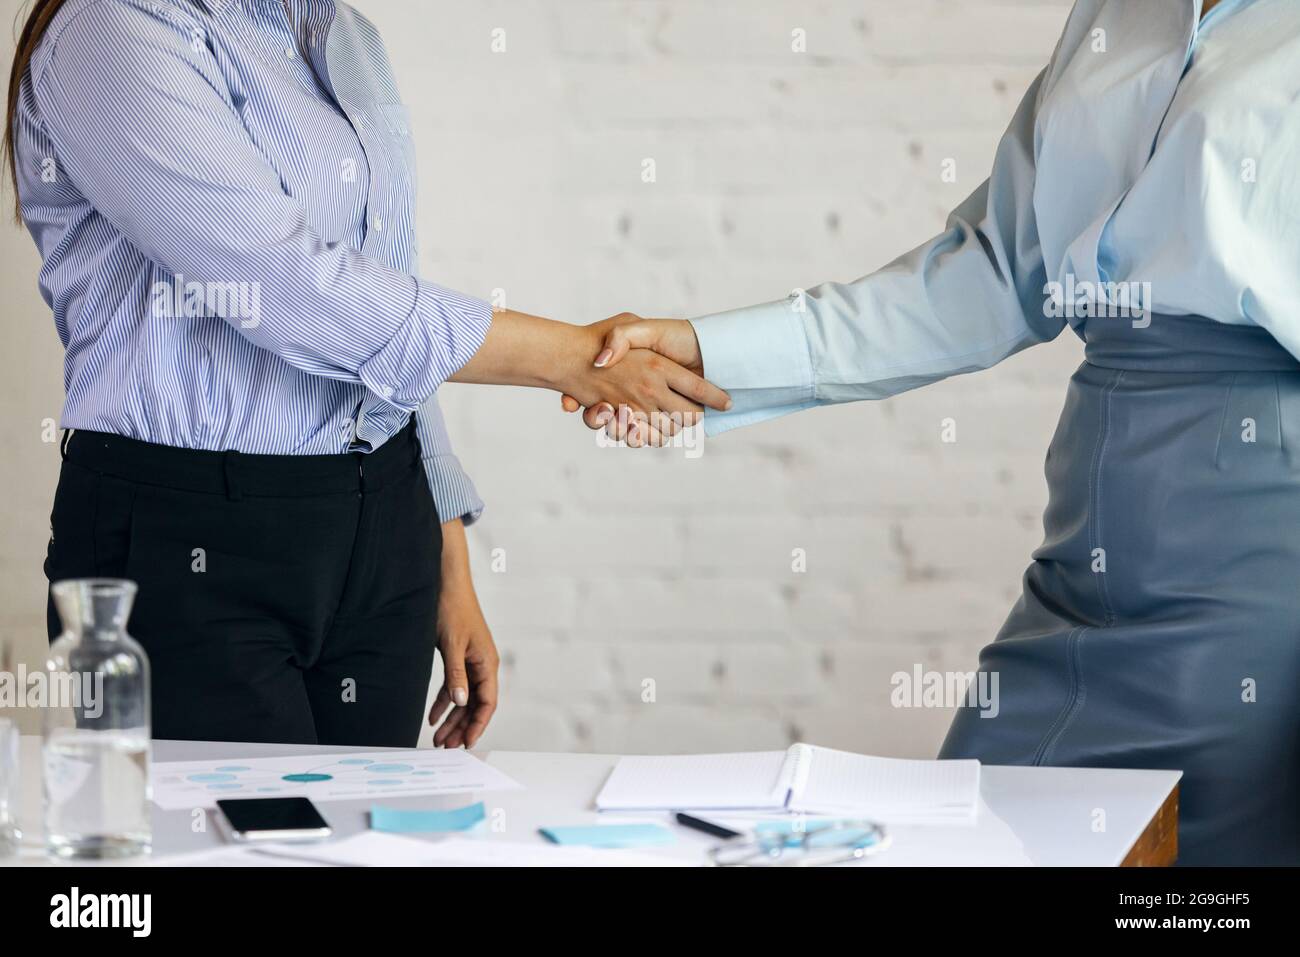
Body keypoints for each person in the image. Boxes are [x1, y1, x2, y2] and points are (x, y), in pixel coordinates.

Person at [570, 0, 1298, 865]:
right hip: (1090, 533)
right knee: (969, 837)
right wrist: (699, 352)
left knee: (1208, 896)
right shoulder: (1116, 12)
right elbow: (989, 276)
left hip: (1260, 548)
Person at [4, 0, 730, 748]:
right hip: (189, 540)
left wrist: (444, 548)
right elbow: (289, 285)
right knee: (236, 854)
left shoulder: (340, 33)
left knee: (367, 849)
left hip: (383, 527)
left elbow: (382, 296)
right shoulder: (112, 31)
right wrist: (574, 358)